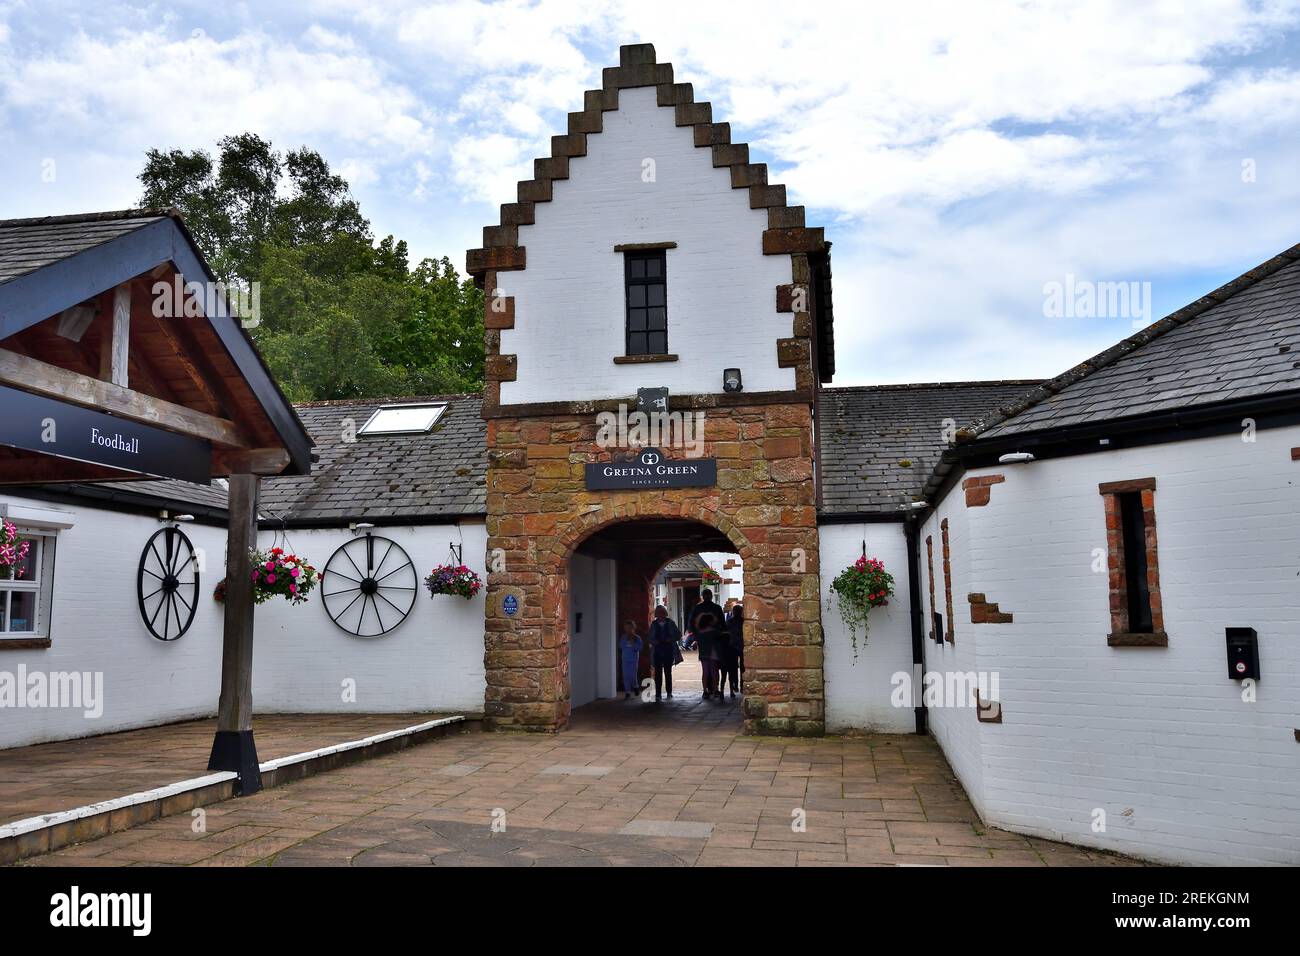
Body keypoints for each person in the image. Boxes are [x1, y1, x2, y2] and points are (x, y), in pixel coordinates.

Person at [648, 604, 681, 701]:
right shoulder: (654, 624)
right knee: (658, 673)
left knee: (668, 672)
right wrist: (654, 641)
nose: (661, 615)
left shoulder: (670, 623)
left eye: (662, 613)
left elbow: (678, 635)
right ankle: (658, 693)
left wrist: (670, 639)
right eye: (659, 613)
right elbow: (649, 637)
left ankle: (669, 692)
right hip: (657, 650)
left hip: (668, 649)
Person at [693, 612, 724, 700]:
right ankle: (715, 689)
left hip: (703, 654)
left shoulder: (700, 632)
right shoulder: (714, 631)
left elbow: (696, 643)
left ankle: (705, 690)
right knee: (714, 672)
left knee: (705, 672)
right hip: (713, 653)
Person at [721, 602, 744, 700]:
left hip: (732, 647)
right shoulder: (744, 621)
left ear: (733, 612)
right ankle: (742, 685)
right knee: (742, 667)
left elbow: (724, 634)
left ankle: (735, 685)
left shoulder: (729, 622)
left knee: (733, 667)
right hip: (742, 646)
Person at [618, 620, 644, 700]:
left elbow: (639, 647)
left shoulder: (637, 638)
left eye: (630, 628)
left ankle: (635, 686)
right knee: (626, 675)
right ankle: (627, 691)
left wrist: (633, 644)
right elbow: (621, 646)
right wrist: (626, 643)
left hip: (633, 659)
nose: (628, 630)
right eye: (626, 628)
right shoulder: (623, 637)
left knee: (633, 674)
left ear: (633, 628)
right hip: (625, 659)